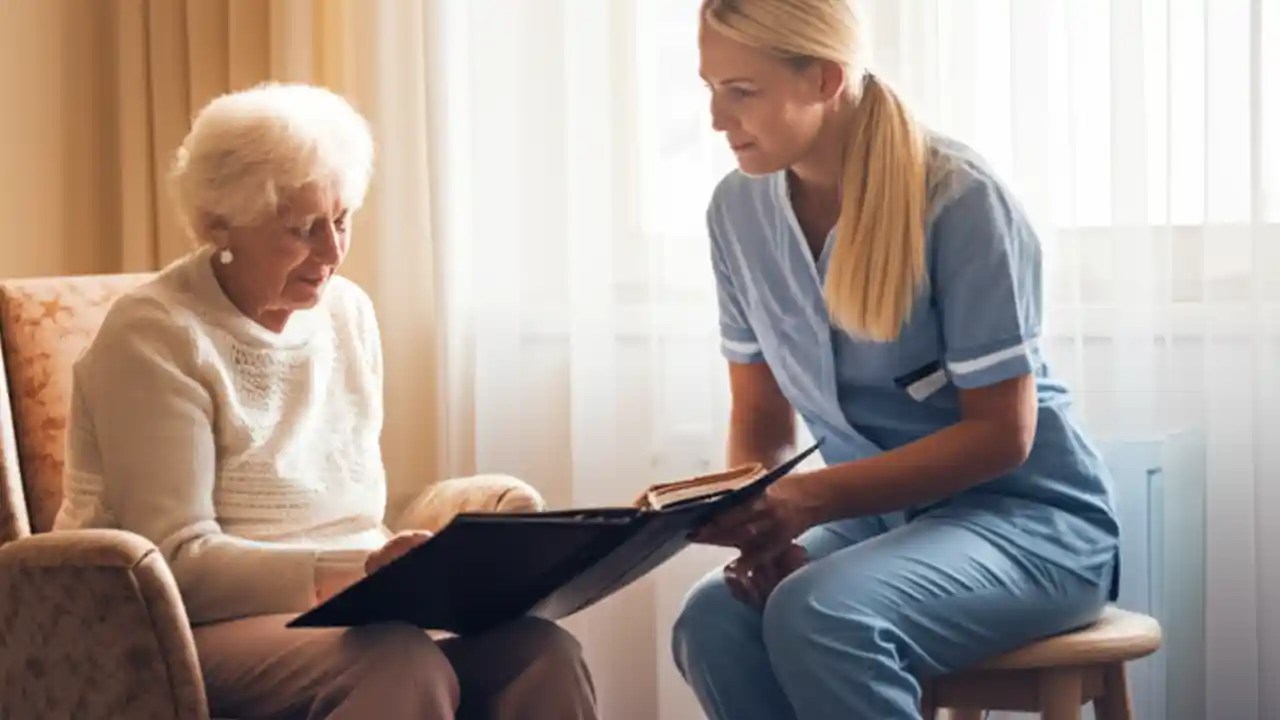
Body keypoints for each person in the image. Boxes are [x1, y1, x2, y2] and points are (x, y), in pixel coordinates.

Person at [52, 82, 598, 720]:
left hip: (359, 612)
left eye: (341, 221)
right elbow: (178, 565)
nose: (333, 252)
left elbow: (351, 505)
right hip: (178, 633)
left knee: (542, 652)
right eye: (303, 229)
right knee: (396, 661)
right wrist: (359, 570)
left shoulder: (348, 313)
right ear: (219, 224)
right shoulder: (155, 336)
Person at [671, 2, 1121, 719]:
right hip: (880, 523)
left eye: (742, 91)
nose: (718, 119)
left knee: (822, 613)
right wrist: (758, 525)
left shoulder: (961, 200)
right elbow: (759, 412)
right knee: (714, 618)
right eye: (711, 88)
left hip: (1029, 526)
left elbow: (1004, 435)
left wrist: (811, 502)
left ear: (822, 79)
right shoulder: (735, 212)